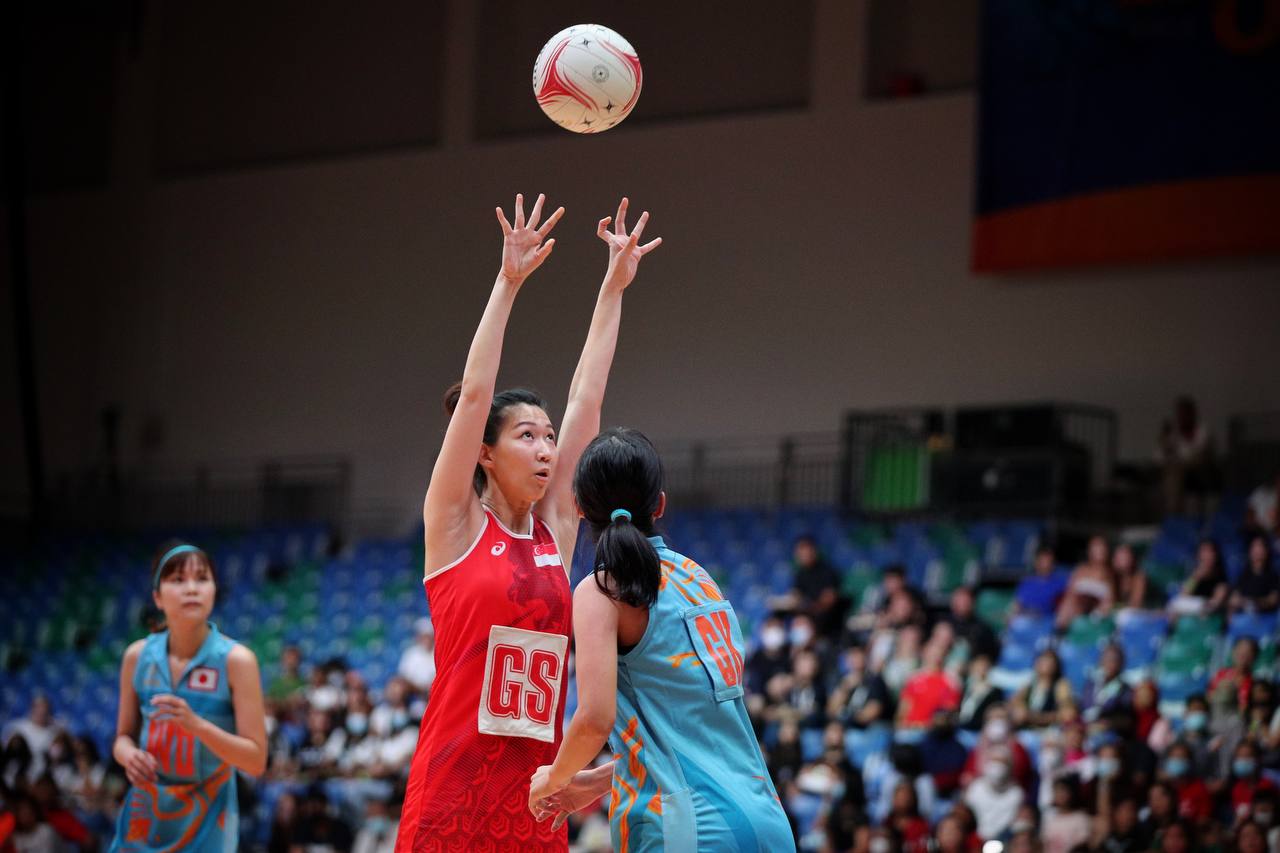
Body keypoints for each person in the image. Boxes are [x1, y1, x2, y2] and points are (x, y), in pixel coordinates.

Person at [397, 195, 659, 852]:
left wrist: (613, 289)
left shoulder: (556, 531)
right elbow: (476, 395)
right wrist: (507, 282)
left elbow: (586, 398)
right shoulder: (453, 524)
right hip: (451, 793)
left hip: (537, 800)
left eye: (548, 437)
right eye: (526, 436)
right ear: (485, 452)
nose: (546, 449)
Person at [527, 428, 794, 851]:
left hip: (689, 828)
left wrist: (553, 778)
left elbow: (594, 720)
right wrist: (595, 782)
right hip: (766, 820)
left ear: (578, 507)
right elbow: (694, 735)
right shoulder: (700, 580)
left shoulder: (601, 590)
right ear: (660, 504)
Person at [108, 541, 268, 851]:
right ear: (157, 597)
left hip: (208, 820)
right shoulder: (137, 656)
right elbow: (122, 737)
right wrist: (128, 756)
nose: (192, 588)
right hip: (145, 816)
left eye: (202, 578)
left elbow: (256, 761)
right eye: (178, 579)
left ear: (214, 590)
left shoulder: (237, 661)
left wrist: (197, 726)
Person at [1156, 395, 1216, 515]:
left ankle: (1173, 513)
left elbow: (1199, 454)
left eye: (1185, 414)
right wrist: (1165, 440)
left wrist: (1178, 454)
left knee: (1175, 472)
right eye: (1180, 414)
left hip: (1199, 468)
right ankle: (1172, 513)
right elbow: (1160, 457)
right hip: (1178, 469)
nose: (1182, 417)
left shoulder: (1202, 431)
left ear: (1192, 414)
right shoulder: (1174, 433)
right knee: (1171, 475)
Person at [1055, 536, 1115, 629]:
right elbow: (1070, 592)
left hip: (1096, 609)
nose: (1099, 551)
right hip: (1075, 607)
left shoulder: (1110, 573)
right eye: (1095, 547)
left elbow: (1110, 599)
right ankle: (1060, 628)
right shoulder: (1080, 570)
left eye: (1101, 547)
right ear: (1089, 551)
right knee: (1070, 601)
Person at [1014, 545, 1067, 619]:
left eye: (1049, 562)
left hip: (1046, 619)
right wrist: (1011, 615)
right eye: (1042, 561)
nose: (1046, 565)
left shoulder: (1060, 583)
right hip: (1025, 616)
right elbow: (1018, 604)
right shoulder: (1027, 582)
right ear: (1036, 563)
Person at [1231, 534, 1280, 614]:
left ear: (1266, 551)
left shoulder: (1273, 575)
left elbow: (1273, 600)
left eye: (1260, 547)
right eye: (1254, 547)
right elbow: (1234, 597)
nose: (1257, 551)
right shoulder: (1244, 574)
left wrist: (1253, 602)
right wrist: (1237, 602)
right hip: (1245, 614)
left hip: (1265, 615)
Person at [395, 618, 437, 695]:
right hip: (413, 693)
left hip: (435, 690)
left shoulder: (438, 652)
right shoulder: (410, 653)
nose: (426, 640)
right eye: (423, 636)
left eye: (428, 636)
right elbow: (403, 676)